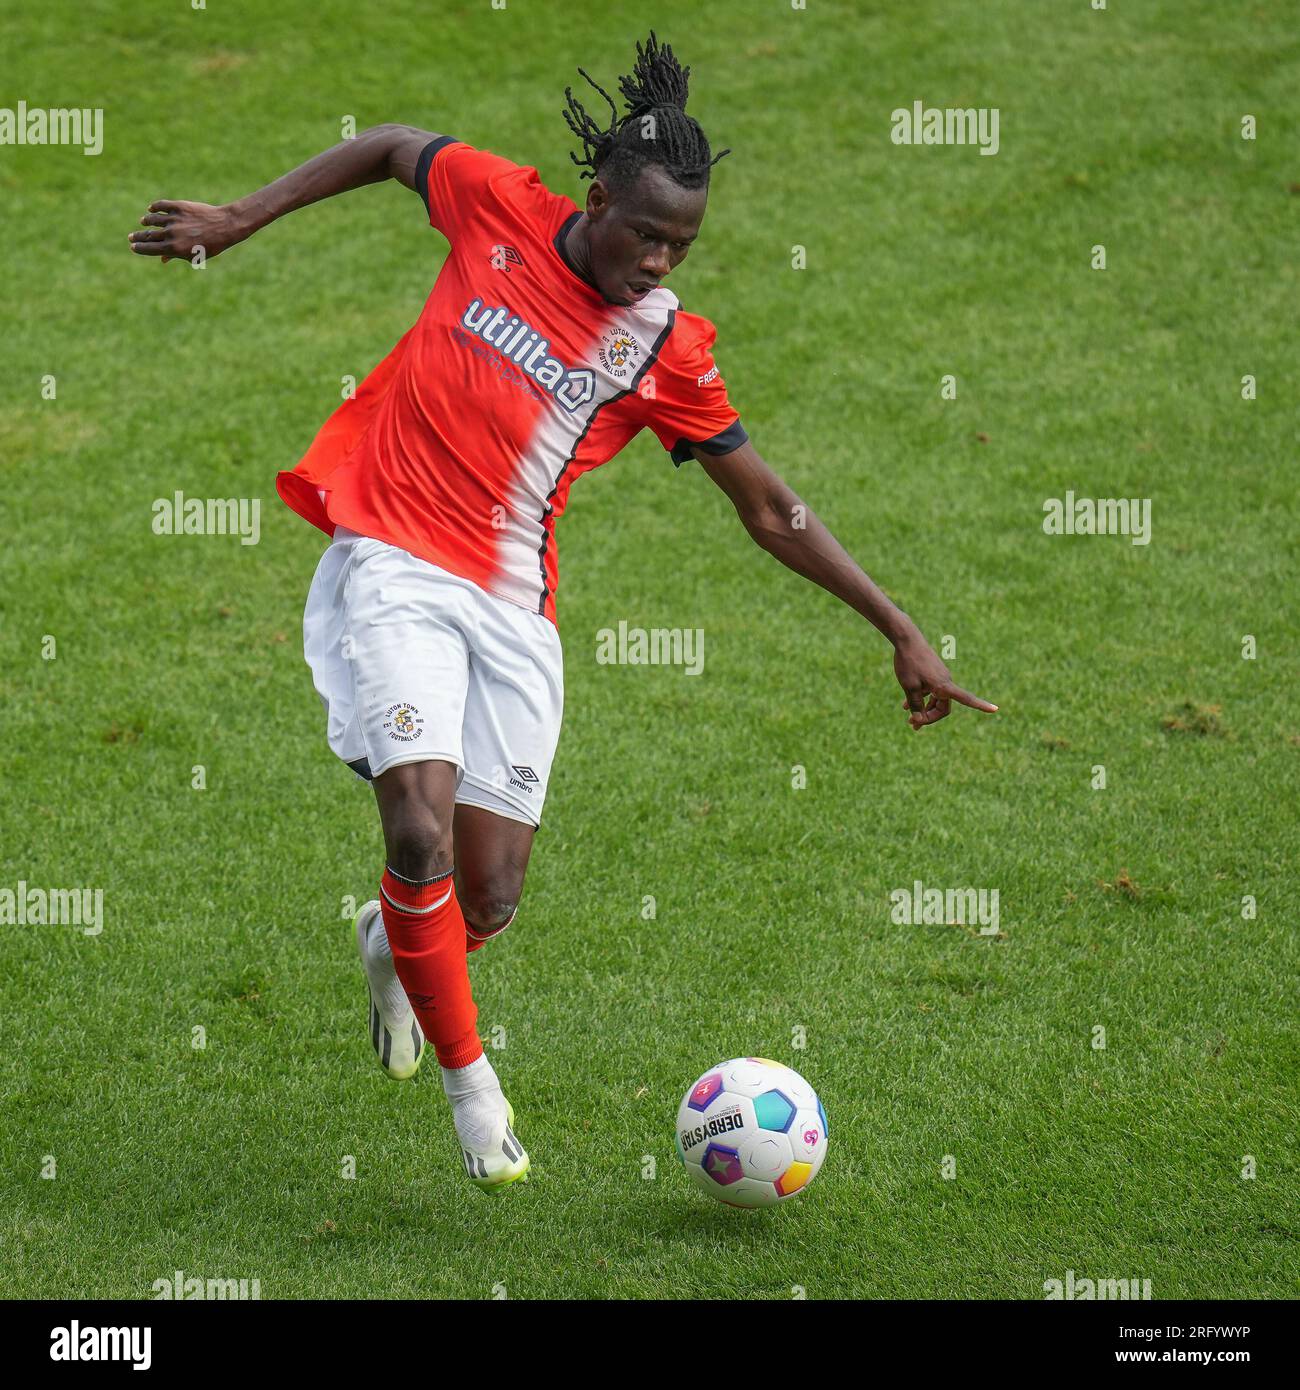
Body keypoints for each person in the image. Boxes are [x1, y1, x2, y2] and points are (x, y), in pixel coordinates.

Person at [128, 32, 996, 1191]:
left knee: (484, 891)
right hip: (392, 559)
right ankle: (473, 1092)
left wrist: (897, 628)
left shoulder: (663, 351)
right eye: (646, 234)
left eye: (682, 244)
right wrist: (239, 216)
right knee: (417, 830)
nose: (659, 260)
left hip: (510, 604)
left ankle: (391, 946)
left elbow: (769, 507)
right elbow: (391, 145)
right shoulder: (496, 206)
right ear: (596, 201)